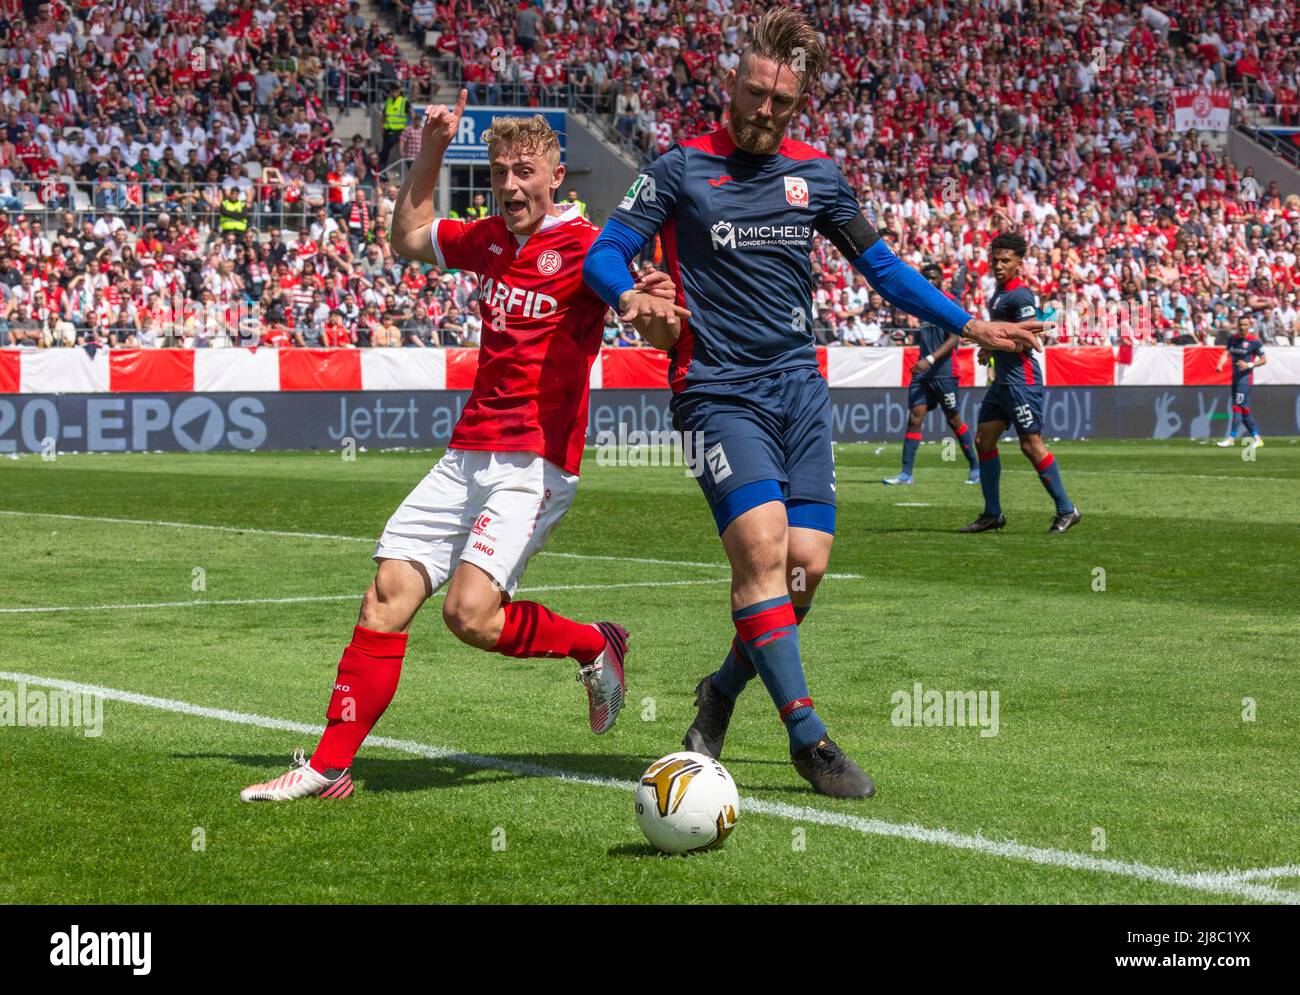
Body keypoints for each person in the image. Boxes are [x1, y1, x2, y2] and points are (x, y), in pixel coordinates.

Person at [582, 6, 1042, 798]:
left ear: (799, 105)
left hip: (799, 391)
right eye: (754, 92)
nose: (764, 110)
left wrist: (969, 324)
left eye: (781, 102)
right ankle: (808, 734)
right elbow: (604, 253)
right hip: (715, 392)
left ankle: (721, 690)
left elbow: (886, 269)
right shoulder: (679, 169)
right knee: (762, 552)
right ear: (733, 83)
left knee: (806, 568)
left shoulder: (819, 178)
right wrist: (629, 299)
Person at [240, 92, 677, 802]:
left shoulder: (592, 249)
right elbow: (407, 237)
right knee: (385, 595)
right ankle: (327, 765)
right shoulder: (494, 241)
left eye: (524, 171)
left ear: (558, 174)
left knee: (468, 615)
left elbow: (653, 326)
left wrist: (650, 306)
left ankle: (594, 643)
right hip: (465, 452)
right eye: (499, 171)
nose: (508, 185)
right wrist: (433, 149)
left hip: (533, 463)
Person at [961, 231, 1081, 534]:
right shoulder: (998, 295)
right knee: (983, 440)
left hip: (1021, 382)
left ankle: (1067, 509)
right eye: (995, 260)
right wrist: (990, 346)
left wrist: (992, 342)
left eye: (1005, 261)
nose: (998, 266)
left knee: (1031, 445)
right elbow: (1009, 334)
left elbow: (1035, 329)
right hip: (1002, 382)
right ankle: (992, 514)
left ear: (1018, 264)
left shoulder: (1020, 295)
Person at [883, 263, 981, 486]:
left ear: (941, 280)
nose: (929, 282)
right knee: (914, 418)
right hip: (924, 372)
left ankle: (976, 467)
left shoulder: (949, 302)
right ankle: (906, 474)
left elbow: (954, 339)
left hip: (944, 371)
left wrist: (929, 360)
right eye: (926, 278)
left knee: (954, 420)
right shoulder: (920, 303)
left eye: (934, 278)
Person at [1215, 313, 1267, 448]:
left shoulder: (1254, 341)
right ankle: (1257, 438)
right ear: (1237, 325)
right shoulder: (1233, 339)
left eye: (1245, 325)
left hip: (1245, 379)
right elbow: (1226, 353)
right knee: (1243, 410)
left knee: (1237, 408)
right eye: (1240, 324)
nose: (1242, 327)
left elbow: (1263, 360)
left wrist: (1249, 365)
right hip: (1235, 378)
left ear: (1250, 326)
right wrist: (1220, 364)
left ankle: (1231, 438)